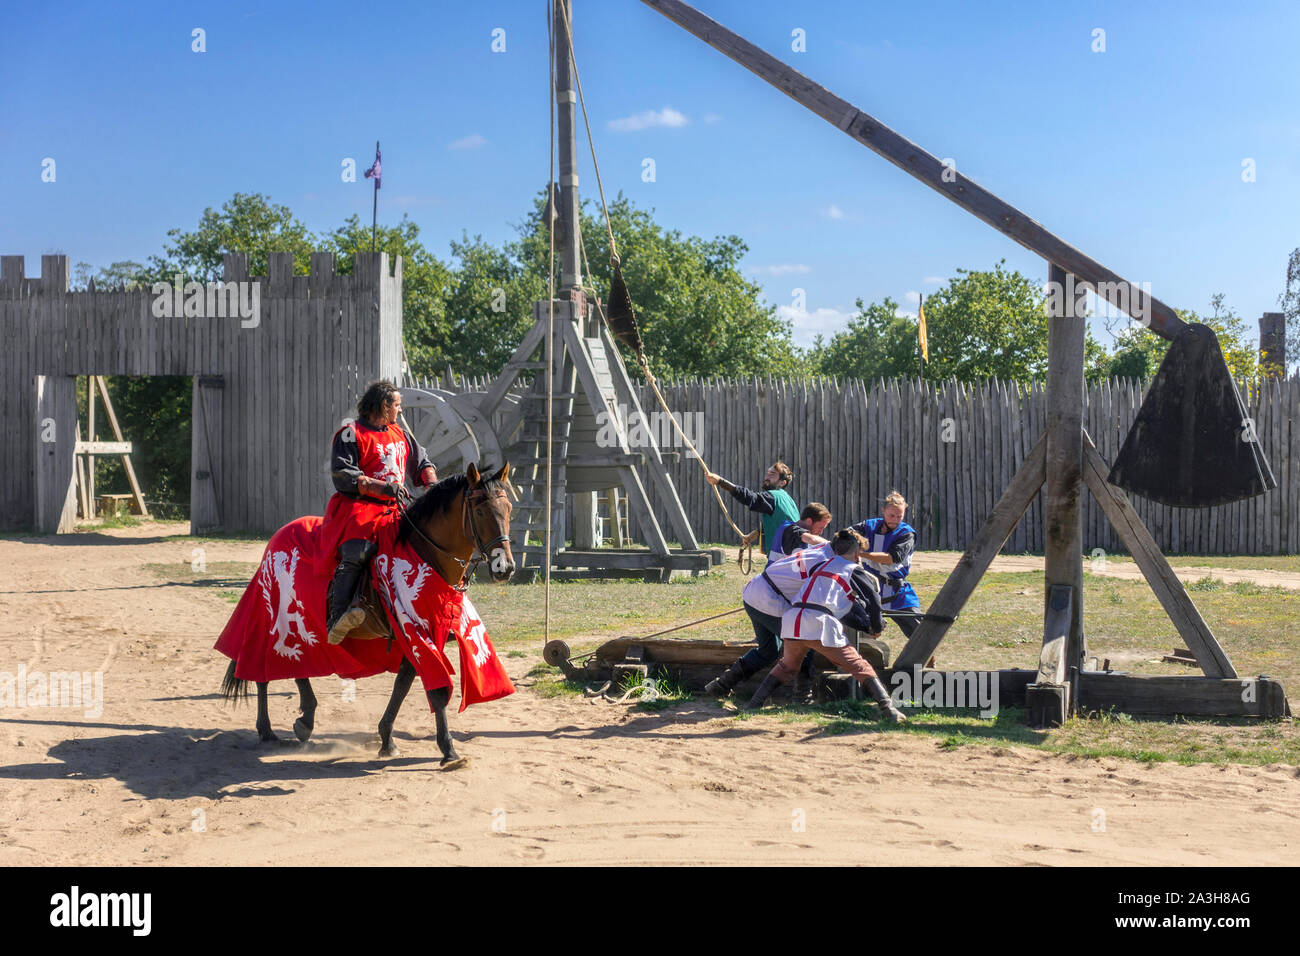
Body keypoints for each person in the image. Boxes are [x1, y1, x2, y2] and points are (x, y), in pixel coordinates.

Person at [745, 529, 906, 724]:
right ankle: (889, 710)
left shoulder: (821, 566)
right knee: (860, 666)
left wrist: (866, 625)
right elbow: (873, 599)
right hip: (817, 623)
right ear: (856, 554)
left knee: (787, 666)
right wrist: (876, 626)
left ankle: (753, 704)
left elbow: (840, 607)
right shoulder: (852, 569)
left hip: (793, 620)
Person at [322, 380, 438, 643]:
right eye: (397, 405)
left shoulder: (399, 433)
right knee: (358, 550)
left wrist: (431, 485)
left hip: (395, 508)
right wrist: (383, 488)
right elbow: (343, 475)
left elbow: (421, 462)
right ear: (384, 406)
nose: (400, 410)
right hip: (359, 508)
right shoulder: (350, 433)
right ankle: (337, 616)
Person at [703, 502, 832, 699]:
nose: (822, 531)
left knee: (768, 651)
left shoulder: (794, 535)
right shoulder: (792, 529)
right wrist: (832, 547)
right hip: (770, 599)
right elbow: (808, 537)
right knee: (804, 641)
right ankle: (802, 697)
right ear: (808, 521)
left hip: (758, 596)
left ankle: (720, 686)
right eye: (821, 527)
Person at [851, 490, 924, 641]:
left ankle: (924, 662)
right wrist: (851, 543)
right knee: (863, 634)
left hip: (897, 591)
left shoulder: (906, 534)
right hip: (870, 589)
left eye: (899, 516)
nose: (896, 519)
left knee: (920, 636)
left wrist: (860, 553)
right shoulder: (868, 526)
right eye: (892, 515)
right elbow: (845, 535)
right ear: (883, 510)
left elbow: (891, 558)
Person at [703, 461, 800, 559]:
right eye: (767, 473)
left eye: (772, 474)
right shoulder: (788, 499)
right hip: (794, 555)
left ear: (782, 482)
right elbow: (781, 522)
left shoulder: (773, 497)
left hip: (784, 558)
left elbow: (750, 497)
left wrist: (720, 481)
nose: (766, 477)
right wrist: (757, 533)